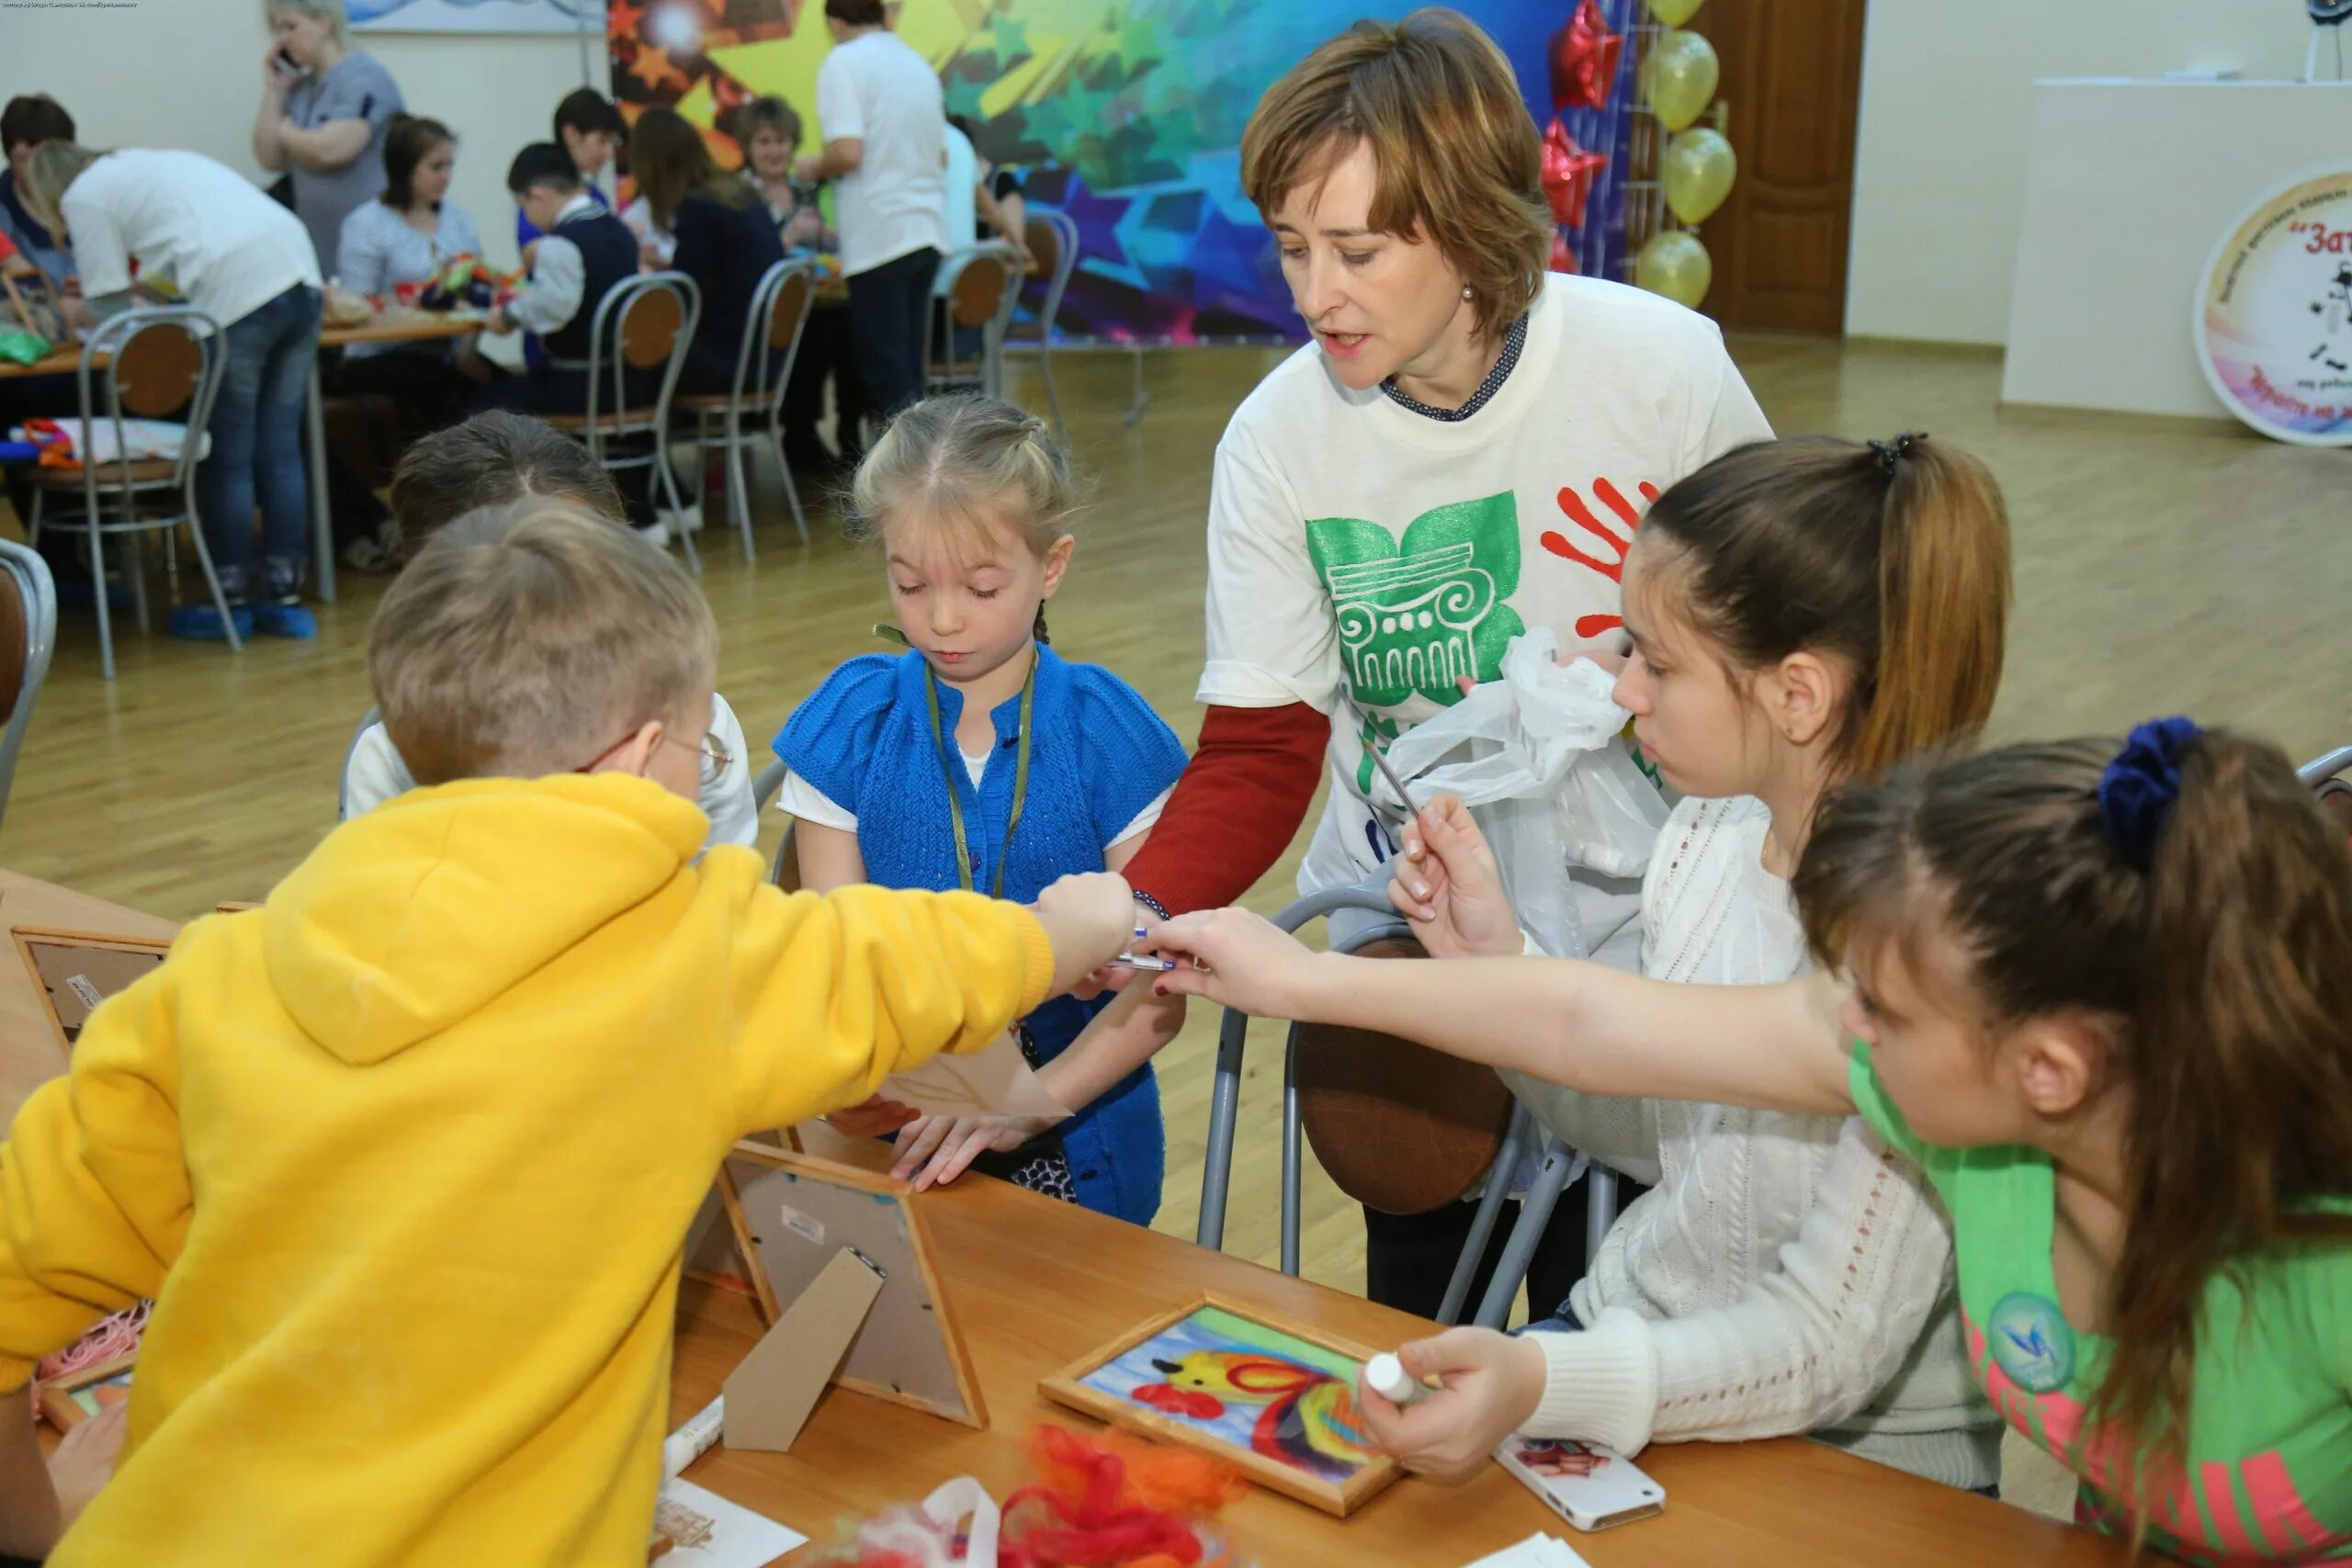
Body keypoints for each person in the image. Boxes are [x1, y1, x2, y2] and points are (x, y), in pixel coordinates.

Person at [0, 502, 1136, 1565]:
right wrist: (1067, 927)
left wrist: (39, 1519)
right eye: (704, 748)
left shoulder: (213, 975)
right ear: (641, 757)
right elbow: (898, 961)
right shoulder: (689, 958)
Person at [1141, 722, 2352, 1562]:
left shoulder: (2324, 1270)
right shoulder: (1966, 1103)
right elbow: (1586, 1017)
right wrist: (1299, 979)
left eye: (1881, 1003)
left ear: (2051, 1069)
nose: (1843, 1026)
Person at [1115, 7, 1773, 1317]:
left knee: (1627, 1330)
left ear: (1470, 227)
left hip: (1649, 929)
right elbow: (1260, 749)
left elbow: (1793, 658)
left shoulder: (1657, 369)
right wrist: (1115, 917)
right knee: (1420, 1330)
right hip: (1407, 932)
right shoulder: (1279, 437)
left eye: (1357, 250)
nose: (1314, 295)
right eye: (1293, 248)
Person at [1372, 433, 2015, 1491]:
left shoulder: (1939, 944)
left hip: (1864, 1458)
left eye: (1654, 662)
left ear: (1796, 696)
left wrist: (1549, 1377)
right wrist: (1497, 959)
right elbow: (1656, 1137)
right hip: (1635, 1353)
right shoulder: (1710, 833)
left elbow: (1825, 1347)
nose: (1622, 691)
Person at [774, 393, 1189, 1225]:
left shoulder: (1109, 732)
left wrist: (1028, 1102)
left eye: (983, 584)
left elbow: (1156, 991)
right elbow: (835, 950)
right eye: (910, 582)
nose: (944, 616)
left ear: (1054, 564)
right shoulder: (853, 718)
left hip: (1080, 1143)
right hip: (889, 1138)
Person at [339, 410, 761, 849]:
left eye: (595, 572)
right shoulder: (389, 760)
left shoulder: (694, 726)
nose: (571, 616)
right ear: (433, 598)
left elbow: (723, 896)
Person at [23, 142, 323, 640]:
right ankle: (285, 595)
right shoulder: (141, 164)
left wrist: (79, 310)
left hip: (239, 296)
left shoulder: (82, 196)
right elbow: (166, 274)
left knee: (230, 453)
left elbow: (103, 306)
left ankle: (228, 601)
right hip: (299, 270)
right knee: (280, 448)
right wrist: (135, 293)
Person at [477, 145, 669, 532]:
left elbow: (556, 309)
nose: (527, 218)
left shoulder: (561, 244)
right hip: (632, 381)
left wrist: (511, 315)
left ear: (539, 195)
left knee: (479, 408)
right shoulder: (621, 231)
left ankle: (510, 530)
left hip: (582, 385)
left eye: (523, 207)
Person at [804, 0, 947, 423]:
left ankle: (903, 484)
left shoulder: (842, 62)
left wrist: (813, 166)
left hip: (880, 235)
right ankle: (922, 475)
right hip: (927, 229)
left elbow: (848, 151)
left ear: (833, 21)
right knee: (909, 376)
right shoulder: (918, 64)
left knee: (887, 383)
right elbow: (940, 155)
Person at [332, 114, 488, 433]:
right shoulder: (366, 225)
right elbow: (358, 307)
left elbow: (480, 286)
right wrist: (417, 302)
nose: (446, 177)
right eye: (436, 167)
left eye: (449, 166)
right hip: (380, 353)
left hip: (447, 351)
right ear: (405, 167)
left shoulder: (458, 221)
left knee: (504, 392)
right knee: (448, 391)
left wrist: (468, 348)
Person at [734, 95, 861, 474]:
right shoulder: (739, 194)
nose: (775, 151)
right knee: (812, 334)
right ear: (748, 146)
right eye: (765, 141)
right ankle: (800, 432)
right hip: (763, 310)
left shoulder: (805, 189)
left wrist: (826, 232)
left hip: (818, 298)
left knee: (852, 329)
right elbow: (744, 261)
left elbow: (832, 243)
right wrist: (788, 235)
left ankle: (849, 426)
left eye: (782, 141)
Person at [627, 107, 787, 397]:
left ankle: (638, 441)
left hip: (731, 361)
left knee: (633, 350)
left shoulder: (699, 209)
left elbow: (685, 298)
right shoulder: (739, 193)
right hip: (768, 358)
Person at [253, 0, 404, 278]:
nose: (283, 39)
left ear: (324, 23)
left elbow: (333, 149)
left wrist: (284, 131)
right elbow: (269, 157)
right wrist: (274, 92)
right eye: (278, 29)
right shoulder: (301, 86)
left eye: (291, 26)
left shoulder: (365, 78)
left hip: (369, 250)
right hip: (317, 245)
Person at [515, 87, 625, 254]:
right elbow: (529, 252)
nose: (609, 153)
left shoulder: (596, 196)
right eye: (602, 141)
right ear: (571, 134)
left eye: (613, 142)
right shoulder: (541, 190)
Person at [0, 95, 75, 292]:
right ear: (10, 159)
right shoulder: (3, 207)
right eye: (24, 159)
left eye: (46, 158)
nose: (37, 171)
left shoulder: (89, 197)